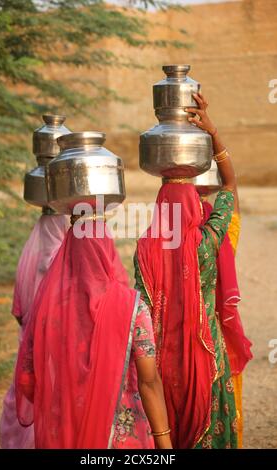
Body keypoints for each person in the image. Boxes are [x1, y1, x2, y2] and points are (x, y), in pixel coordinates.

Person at [134, 92, 245, 449]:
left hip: (161, 367)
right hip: (206, 359)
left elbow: (141, 317)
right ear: (196, 206)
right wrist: (212, 133)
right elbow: (229, 185)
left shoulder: (145, 249)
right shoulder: (207, 238)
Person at [15, 216, 172, 449]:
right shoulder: (131, 307)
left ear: (67, 253)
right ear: (107, 250)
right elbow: (149, 381)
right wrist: (164, 442)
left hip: (63, 430)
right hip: (119, 435)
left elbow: (28, 378)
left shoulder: (50, 310)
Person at [0, 213, 70, 449]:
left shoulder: (30, 250)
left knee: (27, 386)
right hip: (49, 341)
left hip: (27, 344)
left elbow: (18, 309)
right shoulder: (57, 262)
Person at [201, 191, 252, 448]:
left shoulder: (165, 244)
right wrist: (225, 170)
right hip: (221, 340)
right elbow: (233, 217)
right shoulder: (221, 241)